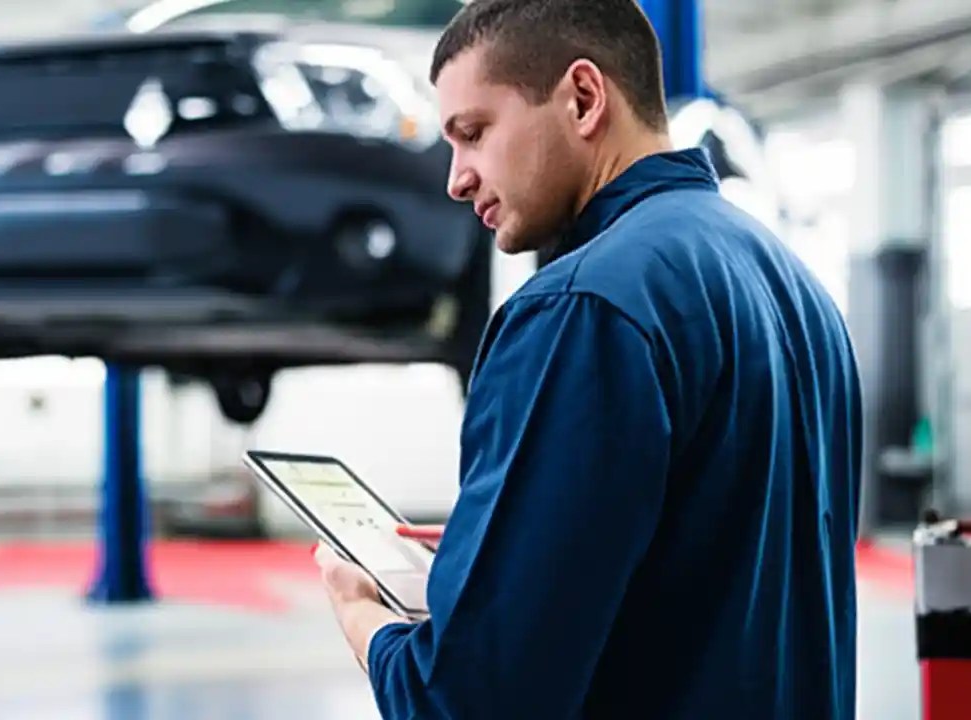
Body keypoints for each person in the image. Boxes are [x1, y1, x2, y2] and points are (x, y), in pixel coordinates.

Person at [312, 0, 862, 718]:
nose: (457, 178)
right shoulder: (800, 292)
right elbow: (720, 550)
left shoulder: (581, 306)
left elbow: (471, 700)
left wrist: (364, 620)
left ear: (582, 98)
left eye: (473, 134)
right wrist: (526, 533)